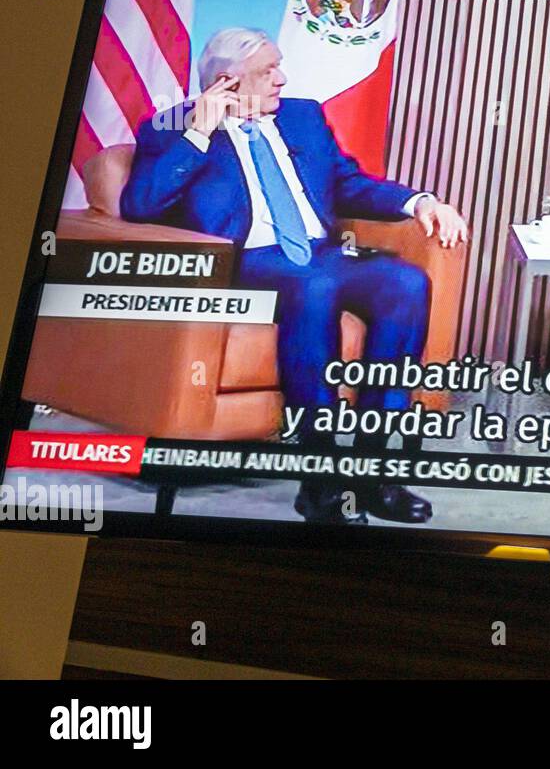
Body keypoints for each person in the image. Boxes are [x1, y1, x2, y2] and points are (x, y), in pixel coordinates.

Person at [122, 27, 468, 526]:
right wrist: (200, 131)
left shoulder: (302, 116)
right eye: (268, 72)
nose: (282, 79)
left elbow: (348, 183)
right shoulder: (171, 129)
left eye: (279, 67)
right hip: (248, 263)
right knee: (314, 285)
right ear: (227, 82)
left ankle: (373, 469)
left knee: (404, 283)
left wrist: (419, 201)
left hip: (320, 254)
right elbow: (139, 206)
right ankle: (320, 474)